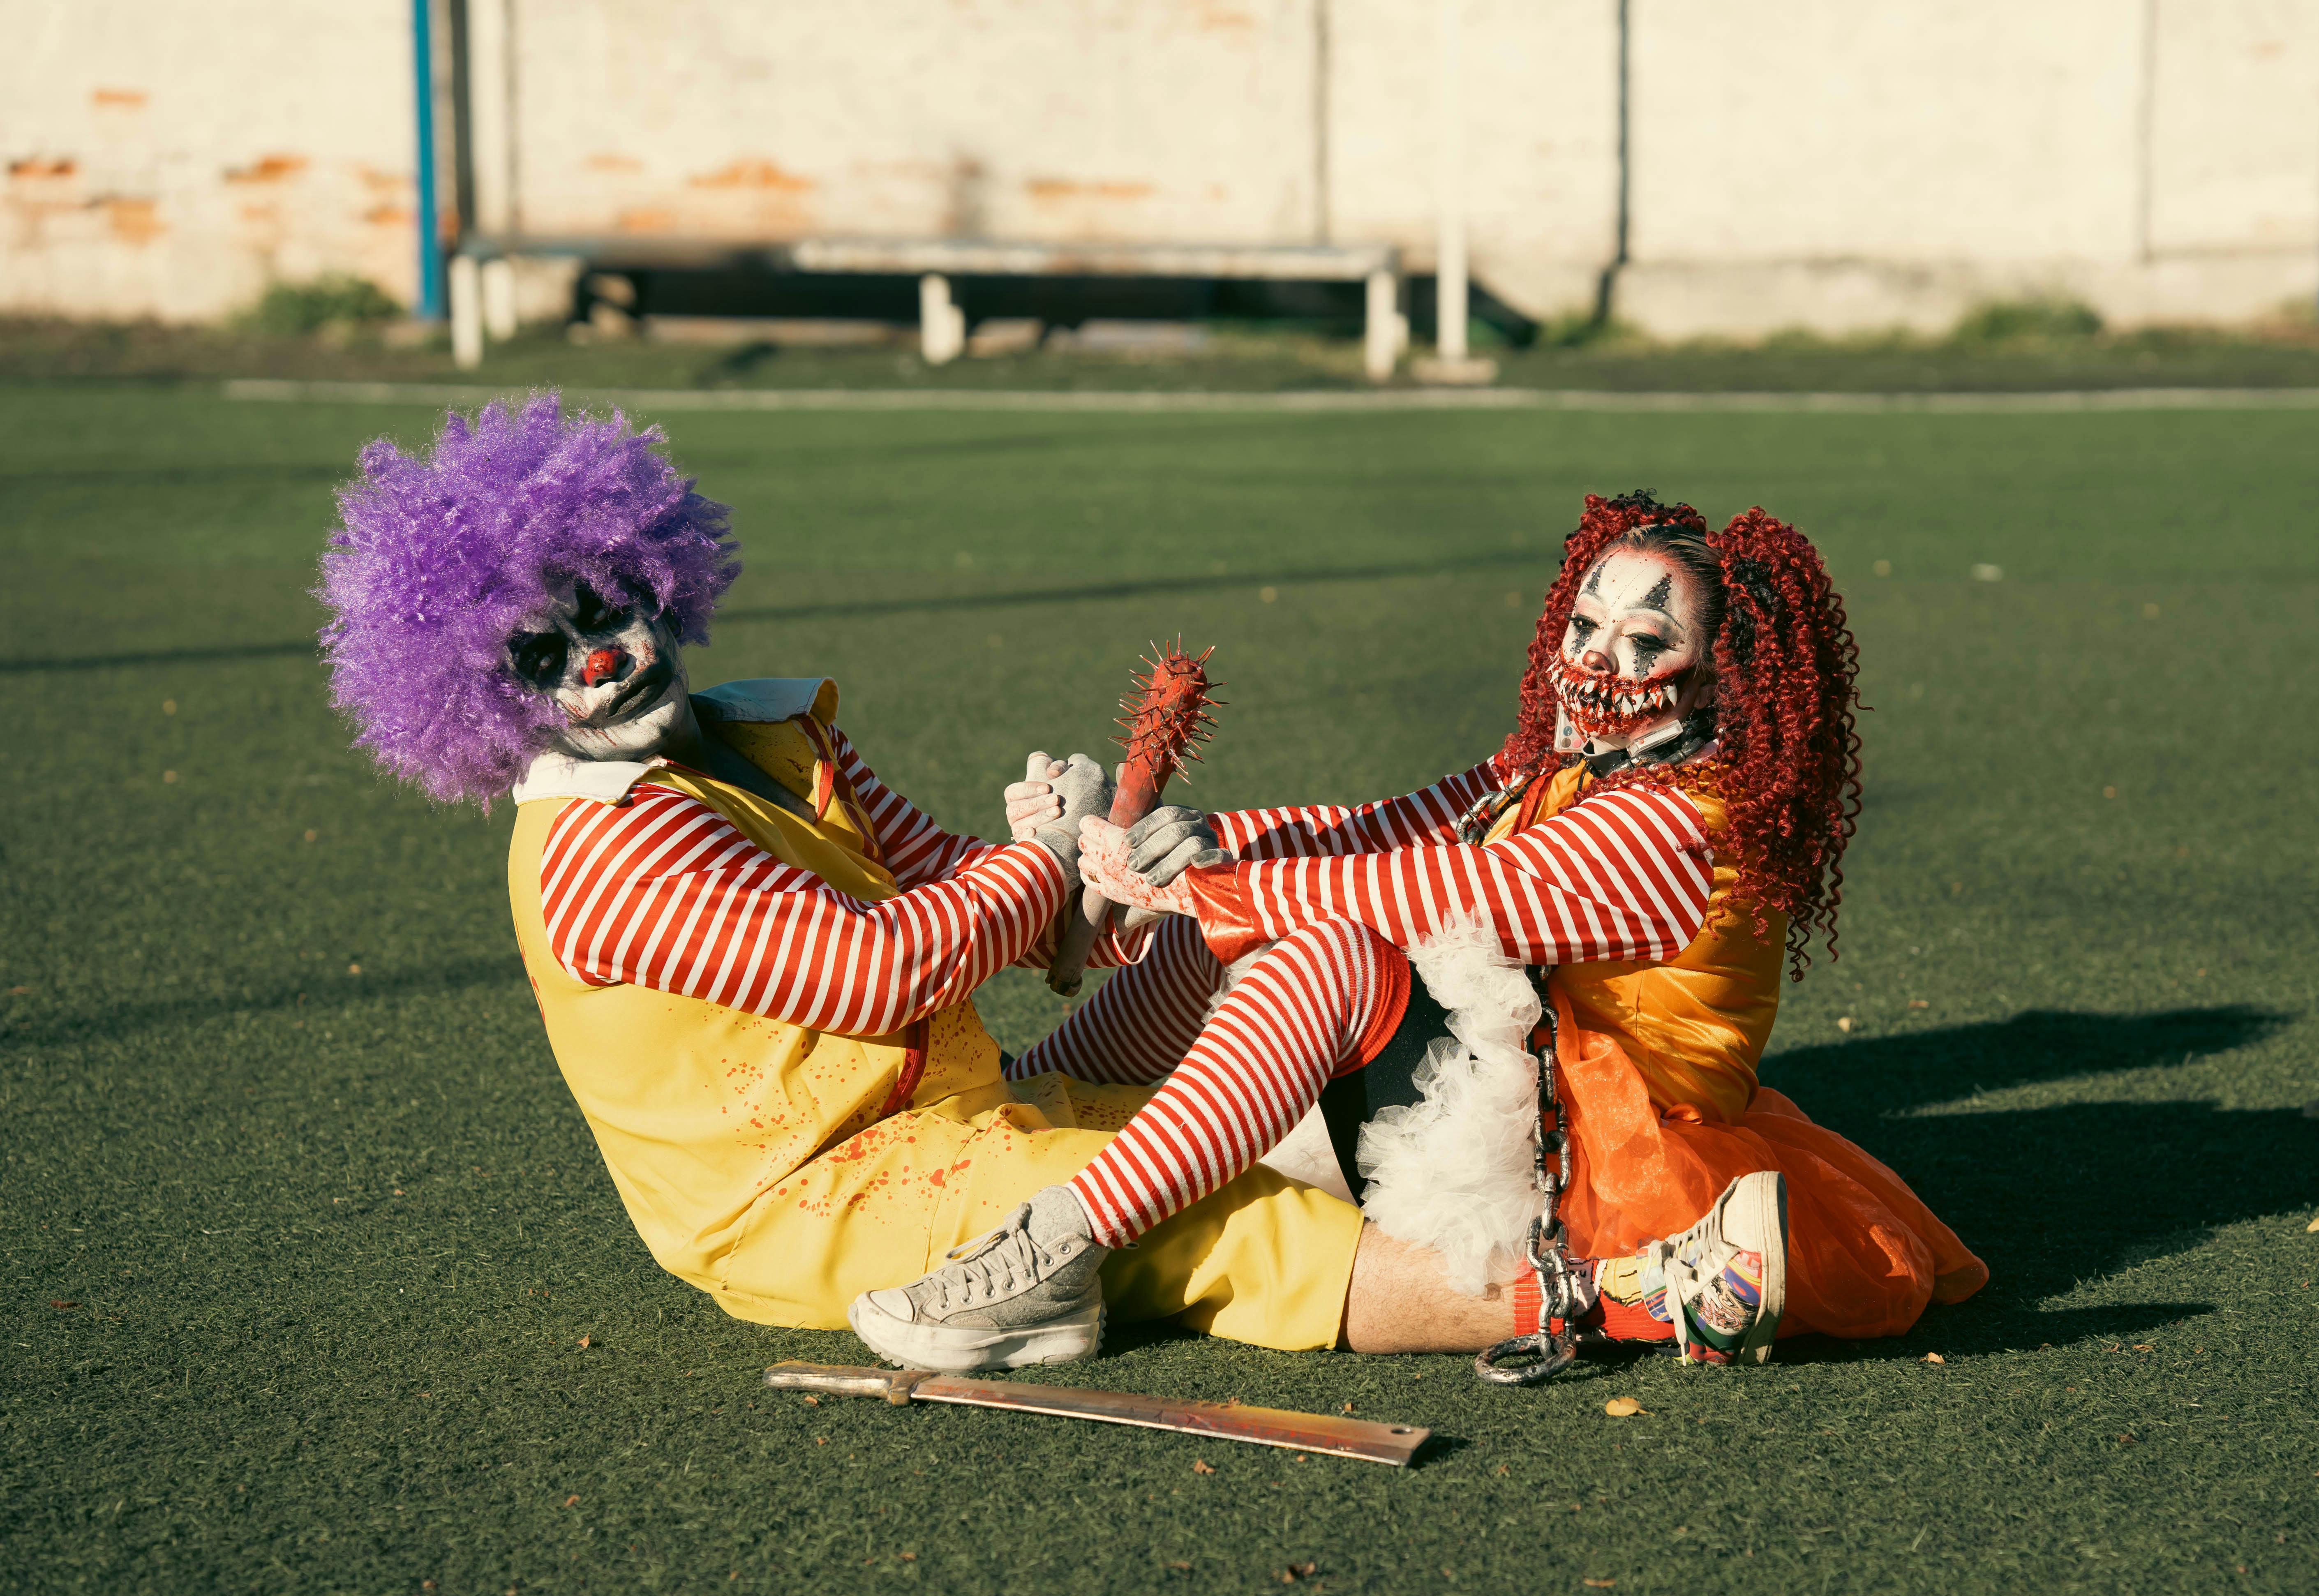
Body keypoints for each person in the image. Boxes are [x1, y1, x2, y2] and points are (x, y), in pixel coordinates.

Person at [319, 395, 1721, 1370]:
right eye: (539, 655)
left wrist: (1095, 872)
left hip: (961, 1110)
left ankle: (1136, 1197)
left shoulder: (767, 727)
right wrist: (1041, 864)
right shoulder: (598, 848)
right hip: (809, 1201)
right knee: (1224, 1219)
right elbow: (886, 971)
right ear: (476, 696)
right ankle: (1633, 1295)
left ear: (652, 576)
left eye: (603, 609)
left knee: (1317, 964)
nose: (598, 659)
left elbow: (1012, 919)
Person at [859, 492, 1986, 1372]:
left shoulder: (1685, 825)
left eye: (1646, 642)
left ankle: (1053, 1258)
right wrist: (1174, 839)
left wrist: (1182, 883)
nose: (1595, 661)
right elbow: (1377, 826)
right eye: (1586, 623)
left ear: (1721, 684)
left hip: (1583, 1159)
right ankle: (1007, 1118)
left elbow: (1435, 890)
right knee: (1272, 922)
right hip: (1505, 1080)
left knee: (1327, 947)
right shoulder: (1561, 766)